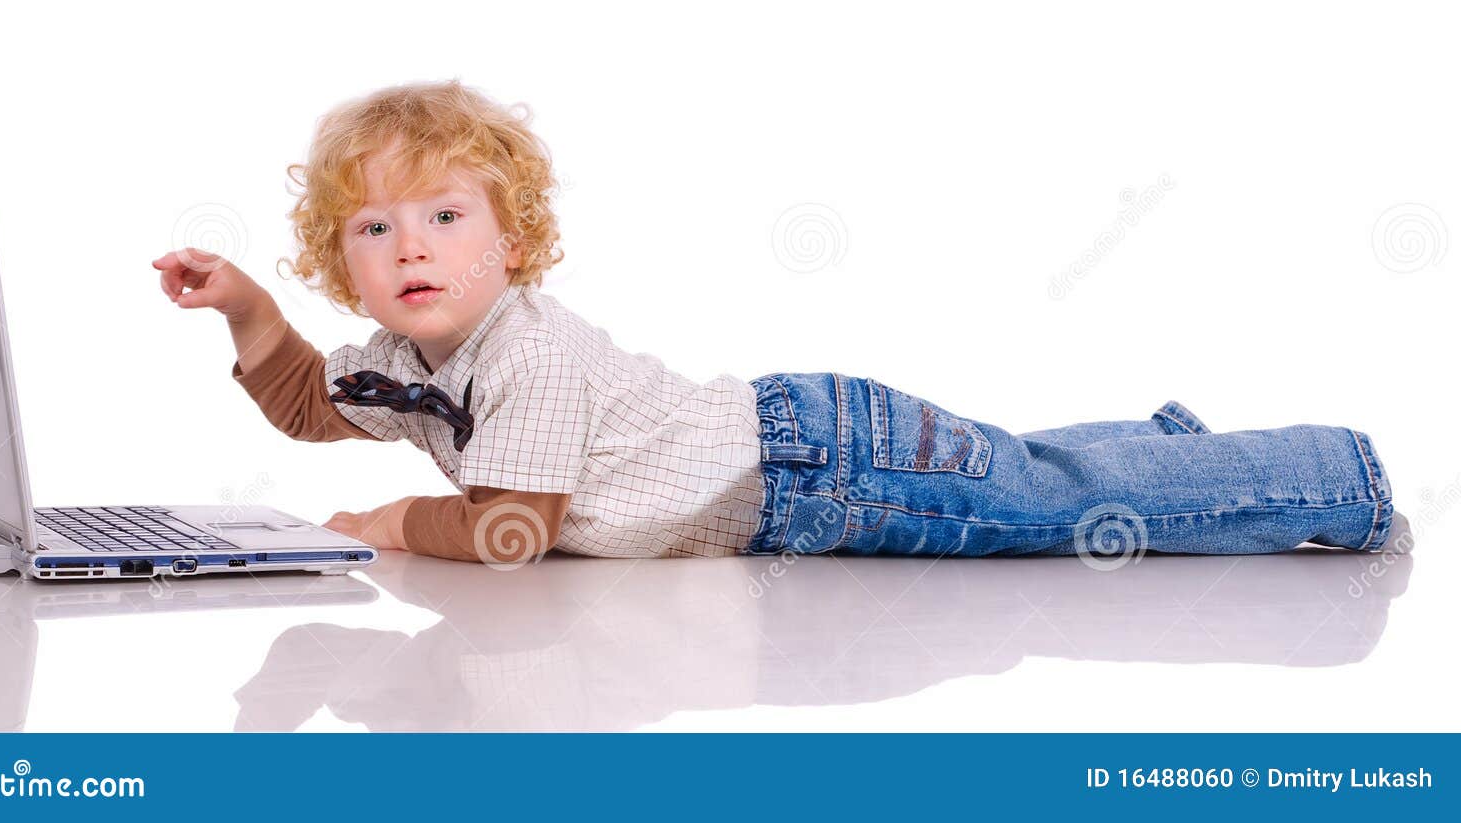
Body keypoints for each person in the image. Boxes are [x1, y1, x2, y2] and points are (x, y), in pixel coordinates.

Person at [151, 79, 1397, 564]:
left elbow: (514, 530)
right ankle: (1165, 446)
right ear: (343, 268)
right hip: (805, 462)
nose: (409, 244)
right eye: (374, 230)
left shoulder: (520, 352)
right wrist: (249, 313)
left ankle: (1328, 478)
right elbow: (318, 407)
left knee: (1051, 505)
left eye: (442, 216)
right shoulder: (410, 363)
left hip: (818, 470)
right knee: (1026, 465)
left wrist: (390, 525)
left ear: (513, 245)